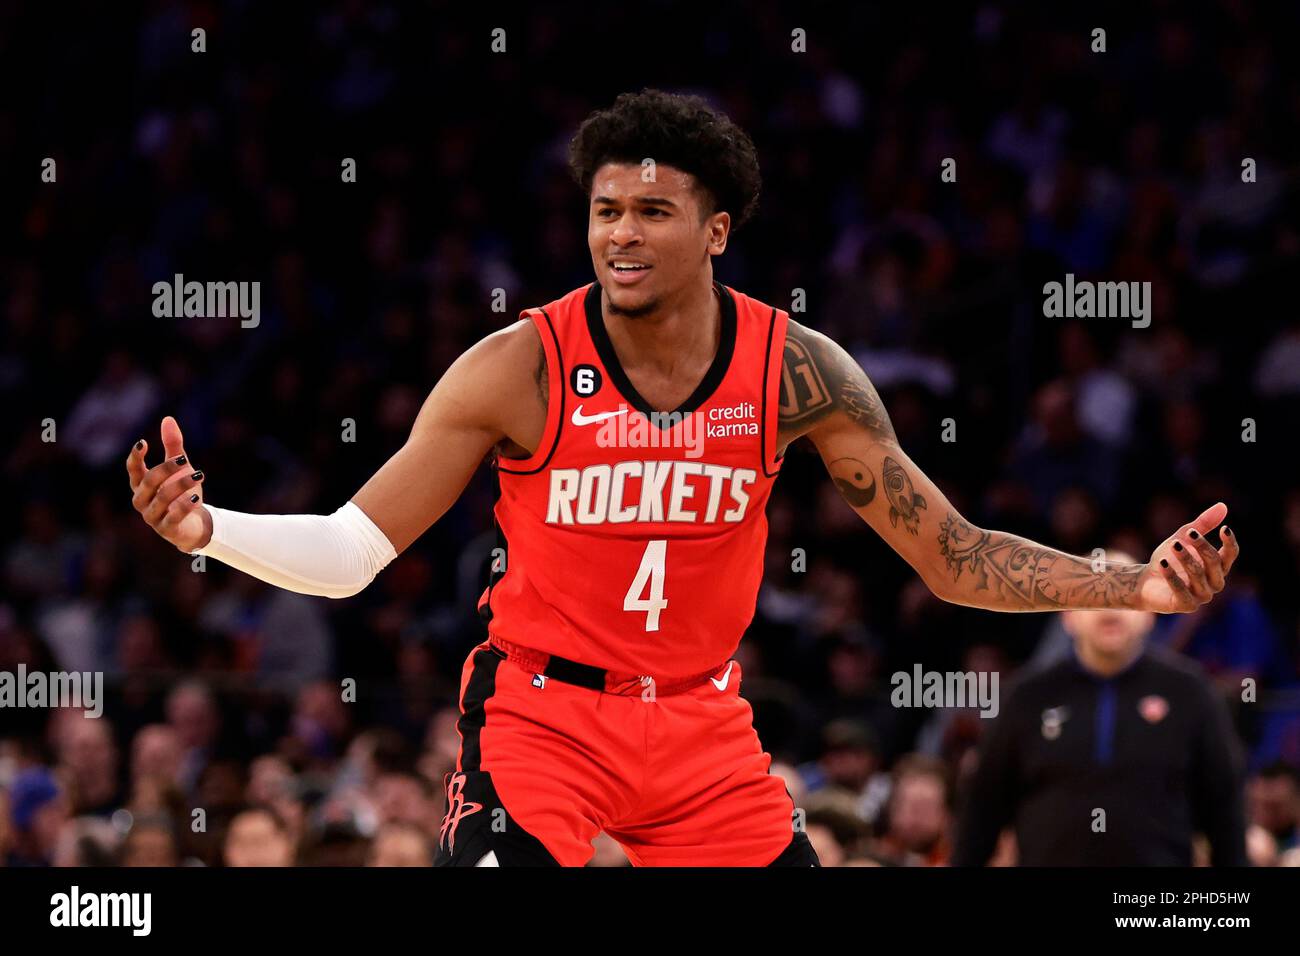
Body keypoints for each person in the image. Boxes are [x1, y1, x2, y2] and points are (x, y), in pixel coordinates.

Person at [126, 89, 1241, 867]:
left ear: (715, 231)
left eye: (652, 212)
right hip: (541, 718)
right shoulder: (519, 366)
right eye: (606, 210)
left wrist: (1135, 584)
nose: (621, 233)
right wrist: (206, 529)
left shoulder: (797, 371)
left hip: (703, 725)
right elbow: (349, 552)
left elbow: (951, 557)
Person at [952, 552, 1248, 866]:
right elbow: (982, 807)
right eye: (1094, 591)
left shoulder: (1191, 692)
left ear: (1151, 611)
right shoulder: (1026, 696)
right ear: (1068, 614)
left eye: (1125, 590)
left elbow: (1224, 805)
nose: (1110, 606)